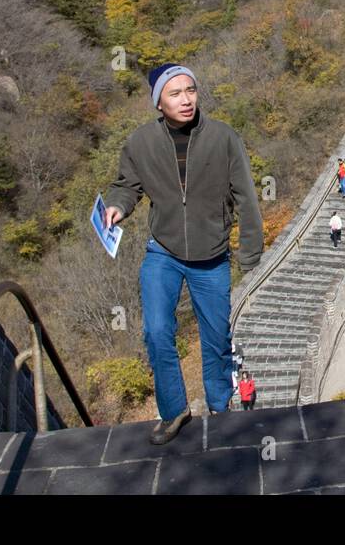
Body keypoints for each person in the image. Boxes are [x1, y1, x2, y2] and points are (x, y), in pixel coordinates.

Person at [104, 63, 264, 445]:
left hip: (211, 255)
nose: (186, 99)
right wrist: (117, 206)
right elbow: (127, 185)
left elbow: (246, 197)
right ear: (158, 102)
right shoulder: (141, 142)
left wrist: (251, 255)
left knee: (215, 339)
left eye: (190, 90)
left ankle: (220, 408)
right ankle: (174, 409)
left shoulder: (223, 137)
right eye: (175, 93)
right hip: (164, 250)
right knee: (157, 331)